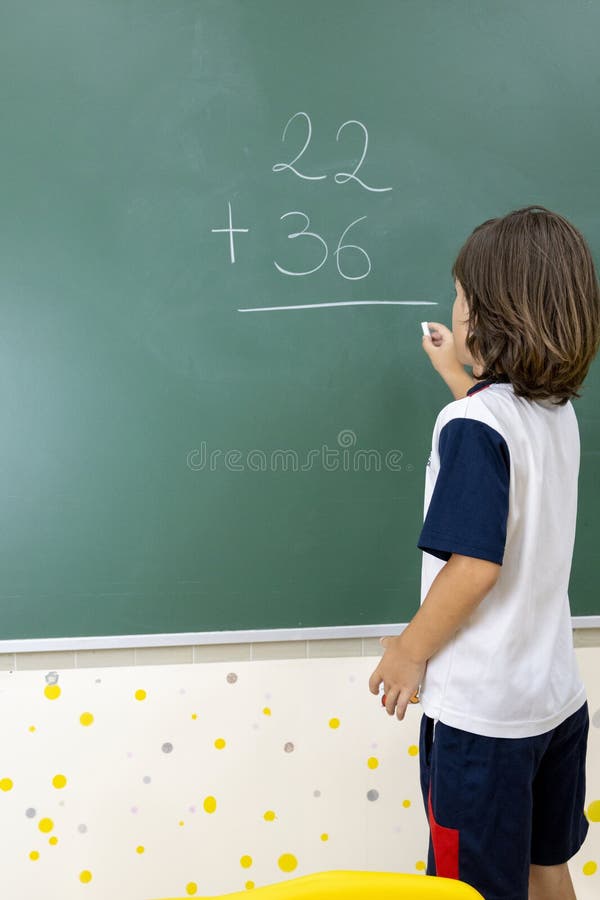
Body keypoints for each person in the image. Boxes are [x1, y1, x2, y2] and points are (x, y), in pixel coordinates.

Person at [369, 206, 600, 900]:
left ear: (491, 316)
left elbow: (474, 566)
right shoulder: (555, 414)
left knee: (472, 890)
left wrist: (410, 652)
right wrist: (459, 378)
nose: (456, 307)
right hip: (553, 701)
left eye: (463, 296)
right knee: (542, 865)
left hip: (482, 722)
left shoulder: (470, 427)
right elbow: (504, 454)